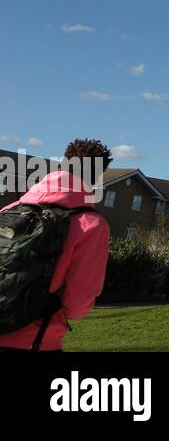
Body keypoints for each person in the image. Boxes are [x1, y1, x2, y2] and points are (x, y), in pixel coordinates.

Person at [0, 139, 112, 352]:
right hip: (35, 341)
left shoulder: (11, 209)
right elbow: (77, 306)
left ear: (63, 163)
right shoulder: (91, 224)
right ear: (97, 175)